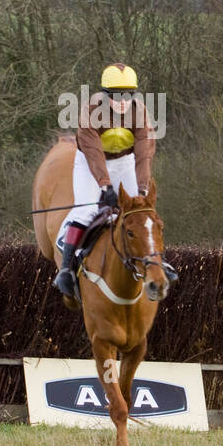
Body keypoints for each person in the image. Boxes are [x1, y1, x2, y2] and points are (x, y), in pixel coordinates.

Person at [53, 63, 157, 297]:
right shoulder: (90, 110)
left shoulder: (139, 112)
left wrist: (142, 189)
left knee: (142, 212)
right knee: (86, 211)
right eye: (116, 95)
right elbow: (93, 153)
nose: (122, 100)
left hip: (125, 162)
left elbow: (144, 153)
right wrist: (105, 186)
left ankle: (156, 266)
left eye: (127, 95)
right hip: (89, 163)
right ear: (105, 94)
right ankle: (66, 270)